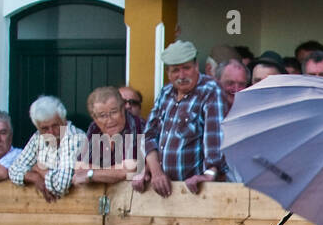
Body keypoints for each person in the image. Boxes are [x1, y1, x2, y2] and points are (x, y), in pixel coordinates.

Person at [139, 40, 227, 198]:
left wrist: (209, 174)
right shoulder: (166, 92)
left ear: (195, 66)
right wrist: (156, 173)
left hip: (196, 189)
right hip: (163, 188)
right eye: (175, 70)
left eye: (186, 68)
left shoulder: (210, 90)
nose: (181, 75)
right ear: (168, 73)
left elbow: (216, 139)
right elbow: (149, 135)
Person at [6, 96, 88, 204]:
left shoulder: (75, 138)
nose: (51, 132)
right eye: (45, 128)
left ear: (64, 120)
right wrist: (35, 177)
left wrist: (39, 169)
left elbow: (60, 185)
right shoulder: (38, 136)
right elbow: (13, 169)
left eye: (55, 126)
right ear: (38, 128)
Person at [78, 86, 142, 186]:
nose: (110, 120)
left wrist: (91, 174)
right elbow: (80, 167)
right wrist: (112, 172)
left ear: (123, 109)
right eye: (102, 115)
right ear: (94, 118)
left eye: (114, 112)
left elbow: (128, 170)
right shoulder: (95, 128)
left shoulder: (134, 125)